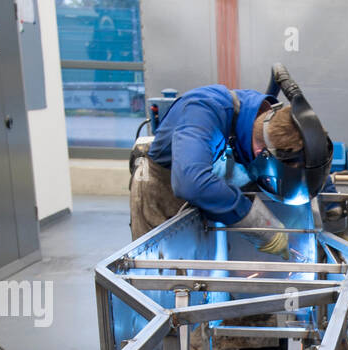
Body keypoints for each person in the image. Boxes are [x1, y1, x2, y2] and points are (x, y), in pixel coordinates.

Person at [129, 83, 302, 252]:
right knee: (162, 263)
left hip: (189, 183)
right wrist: (261, 226)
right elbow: (192, 184)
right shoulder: (202, 111)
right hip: (159, 189)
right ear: (261, 152)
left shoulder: (258, 111)